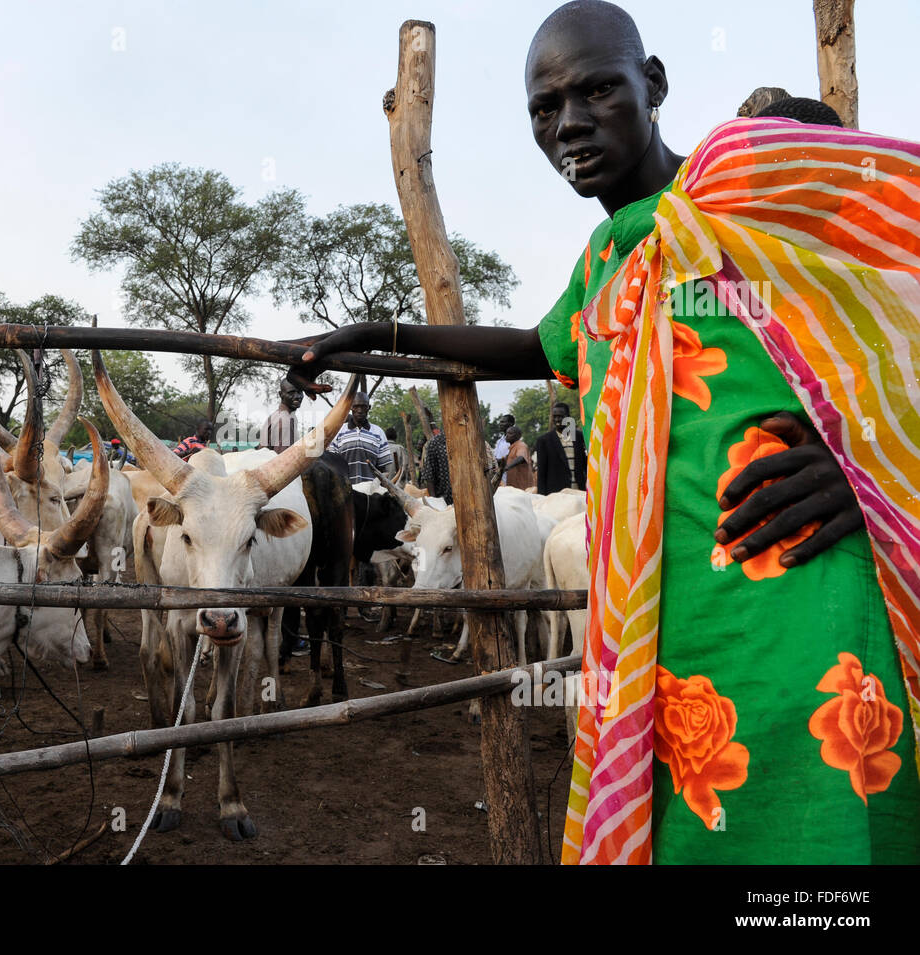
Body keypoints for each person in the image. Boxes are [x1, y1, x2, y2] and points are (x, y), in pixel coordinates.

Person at [286, 0, 919, 865]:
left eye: (598, 91)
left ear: (652, 83)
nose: (570, 123)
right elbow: (523, 346)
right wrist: (375, 334)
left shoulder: (748, 193)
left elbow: (901, 305)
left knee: (825, 851)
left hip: (810, 607)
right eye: (546, 109)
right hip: (669, 631)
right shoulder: (610, 263)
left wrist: (869, 468)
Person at [326, 391, 393, 485]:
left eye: (363, 406)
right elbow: (332, 464)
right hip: (346, 491)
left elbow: (384, 468)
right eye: (356, 406)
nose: (360, 410)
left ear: (369, 408)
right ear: (350, 407)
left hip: (371, 494)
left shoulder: (378, 432)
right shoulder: (339, 431)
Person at [535, 401, 586, 494]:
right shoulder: (544, 441)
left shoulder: (579, 437)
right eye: (554, 416)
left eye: (561, 416)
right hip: (556, 495)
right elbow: (541, 473)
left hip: (579, 492)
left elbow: (585, 464)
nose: (557, 419)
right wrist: (541, 497)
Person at [260, 379, 302, 453]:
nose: (297, 396)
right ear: (280, 394)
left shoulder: (277, 416)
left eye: (299, 392)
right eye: (291, 393)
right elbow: (283, 459)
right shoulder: (285, 421)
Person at [421, 423, 453, 502]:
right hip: (445, 502)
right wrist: (435, 503)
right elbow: (429, 476)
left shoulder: (469, 440)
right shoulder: (435, 443)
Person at [499, 425, 534, 490]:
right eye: (506, 433)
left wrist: (507, 467)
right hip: (513, 487)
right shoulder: (512, 448)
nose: (507, 435)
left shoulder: (521, 445)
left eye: (510, 433)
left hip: (523, 487)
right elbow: (503, 461)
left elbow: (521, 458)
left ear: (518, 436)